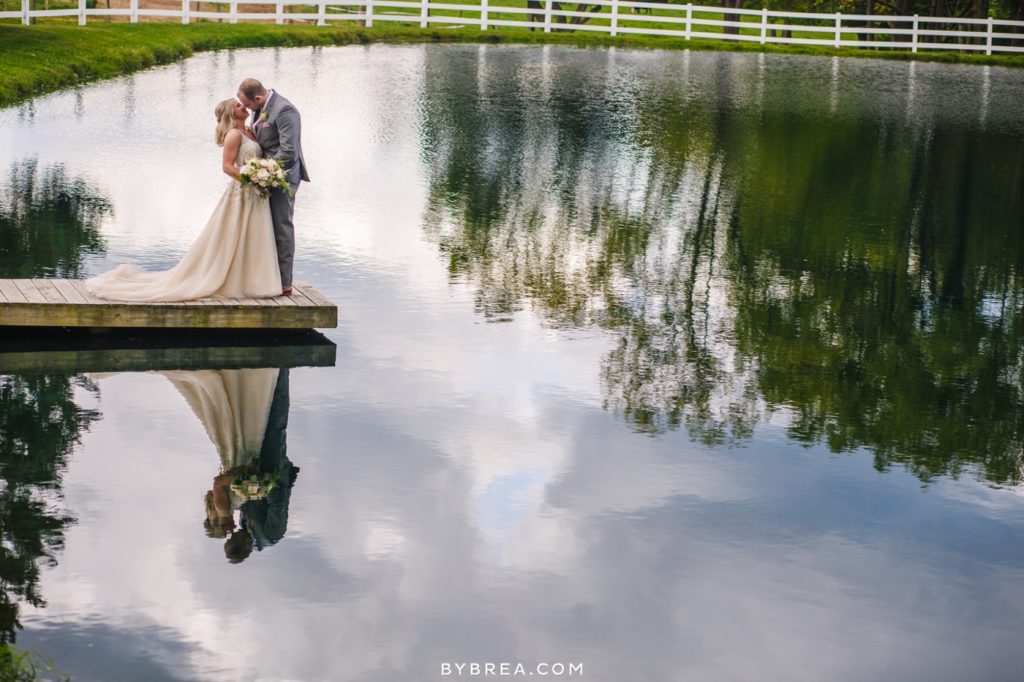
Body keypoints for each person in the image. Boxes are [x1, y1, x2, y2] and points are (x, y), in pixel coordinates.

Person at [84, 99, 282, 301]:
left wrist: (263, 175)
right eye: (239, 106)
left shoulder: (250, 130)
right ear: (232, 113)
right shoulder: (234, 135)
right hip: (243, 191)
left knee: (254, 233)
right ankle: (227, 279)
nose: (244, 106)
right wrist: (251, 177)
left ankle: (252, 280)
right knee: (235, 233)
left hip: (256, 193)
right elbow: (227, 167)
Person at [236, 79, 309, 297]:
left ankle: (285, 283)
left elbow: (288, 152)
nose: (247, 110)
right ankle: (265, 278)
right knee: (262, 227)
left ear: (257, 98)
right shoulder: (261, 109)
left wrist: (264, 170)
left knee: (281, 226)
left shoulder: (285, 110)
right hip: (263, 176)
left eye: (248, 105)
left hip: (282, 177)